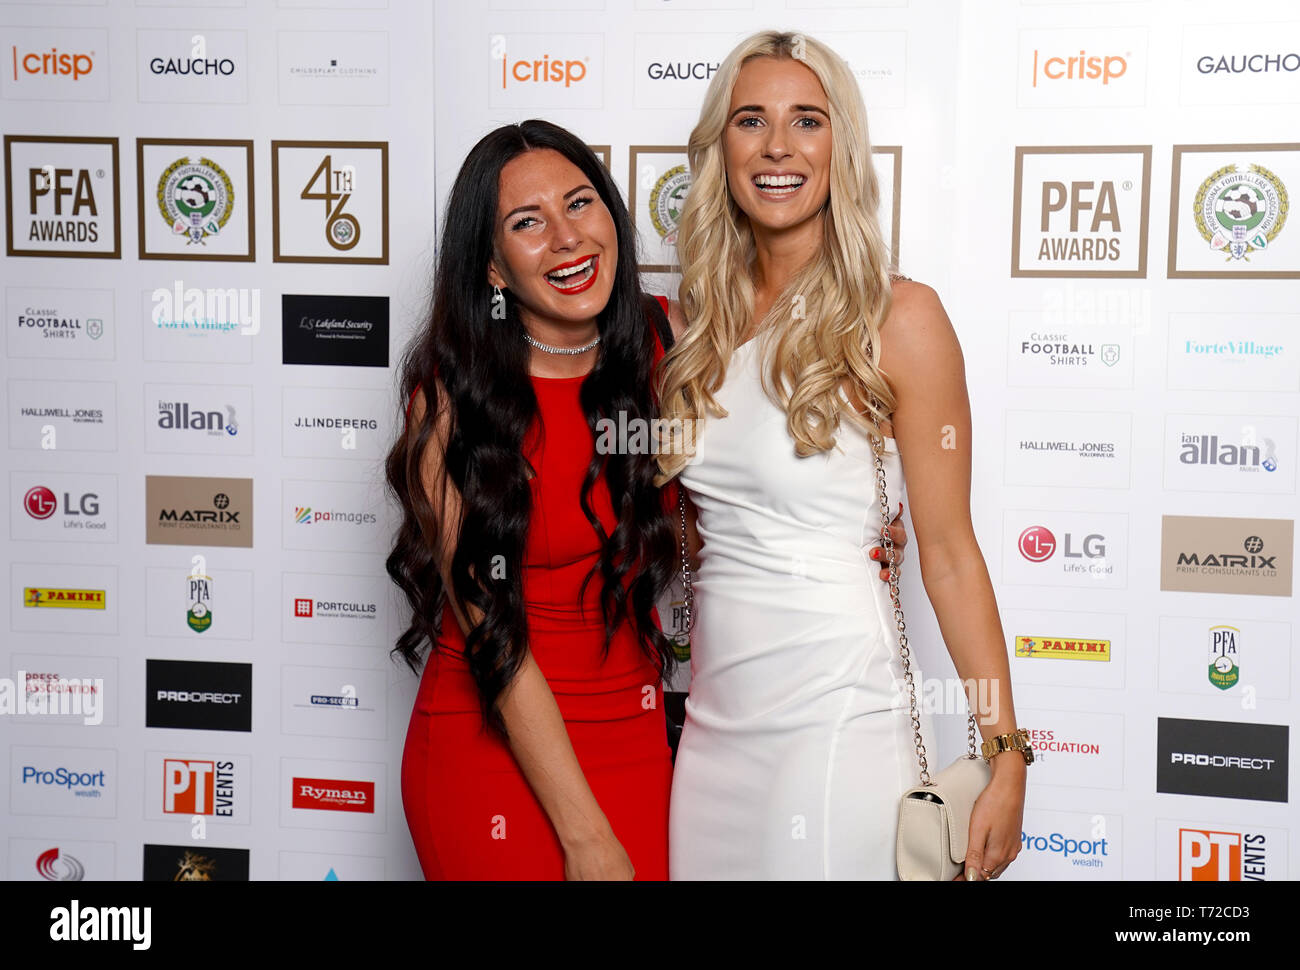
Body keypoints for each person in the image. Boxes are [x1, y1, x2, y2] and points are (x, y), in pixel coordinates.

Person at [386, 119, 907, 880]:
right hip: (491, 739)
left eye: (581, 204)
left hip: (635, 739)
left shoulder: (665, 347)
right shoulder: (450, 398)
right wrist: (583, 832)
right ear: (493, 268)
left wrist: (841, 528)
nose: (567, 238)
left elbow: (734, 489)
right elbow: (491, 633)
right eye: (527, 224)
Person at [654, 31, 1028, 881]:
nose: (778, 146)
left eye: (807, 121)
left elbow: (953, 556)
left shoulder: (900, 318)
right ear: (723, 148)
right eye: (752, 120)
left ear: (840, 147)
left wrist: (1007, 753)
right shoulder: (691, 325)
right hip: (712, 732)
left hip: (838, 725)